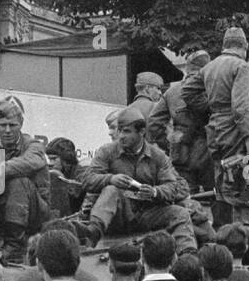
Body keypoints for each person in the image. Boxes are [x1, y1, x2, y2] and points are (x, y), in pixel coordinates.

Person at [79, 107, 195, 254]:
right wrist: (111, 179)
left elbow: (173, 186)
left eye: (126, 131)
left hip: (147, 213)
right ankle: (94, 231)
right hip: (116, 215)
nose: (121, 136)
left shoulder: (158, 156)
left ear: (141, 132)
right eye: (120, 130)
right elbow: (87, 179)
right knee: (111, 189)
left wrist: (154, 192)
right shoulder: (107, 151)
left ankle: (188, 257)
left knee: (180, 213)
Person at [0, 96, 51, 264]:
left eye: (12, 125)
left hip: (36, 216)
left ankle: (15, 245)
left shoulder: (33, 146)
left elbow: (27, 163)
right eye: (2, 125)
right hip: (3, 214)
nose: (7, 130)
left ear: (20, 125)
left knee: (19, 181)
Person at [186, 27, 249, 200]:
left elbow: (187, 91)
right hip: (234, 129)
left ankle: (221, 224)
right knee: (242, 179)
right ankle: (240, 220)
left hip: (214, 129)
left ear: (225, 45)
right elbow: (241, 107)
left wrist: (211, 107)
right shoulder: (241, 66)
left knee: (220, 176)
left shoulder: (210, 66)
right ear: (244, 46)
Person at [149, 49, 213, 191]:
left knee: (185, 198)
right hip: (208, 153)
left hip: (181, 153)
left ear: (188, 68)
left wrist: (168, 144)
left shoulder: (172, 92)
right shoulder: (212, 89)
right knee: (214, 196)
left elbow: (153, 123)